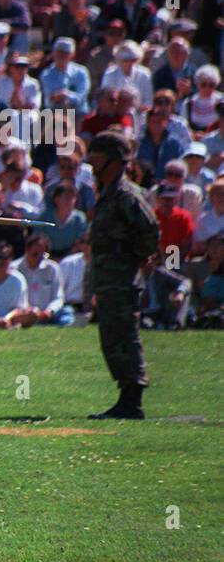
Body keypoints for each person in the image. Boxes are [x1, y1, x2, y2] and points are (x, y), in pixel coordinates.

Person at [86, 130, 160, 420]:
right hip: (108, 279)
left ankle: (132, 401)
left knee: (124, 338)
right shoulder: (108, 193)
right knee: (111, 338)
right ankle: (126, 399)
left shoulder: (125, 194)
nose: (91, 160)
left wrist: (138, 258)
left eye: (98, 154)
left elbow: (150, 228)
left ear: (114, 160)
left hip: (122, 278)